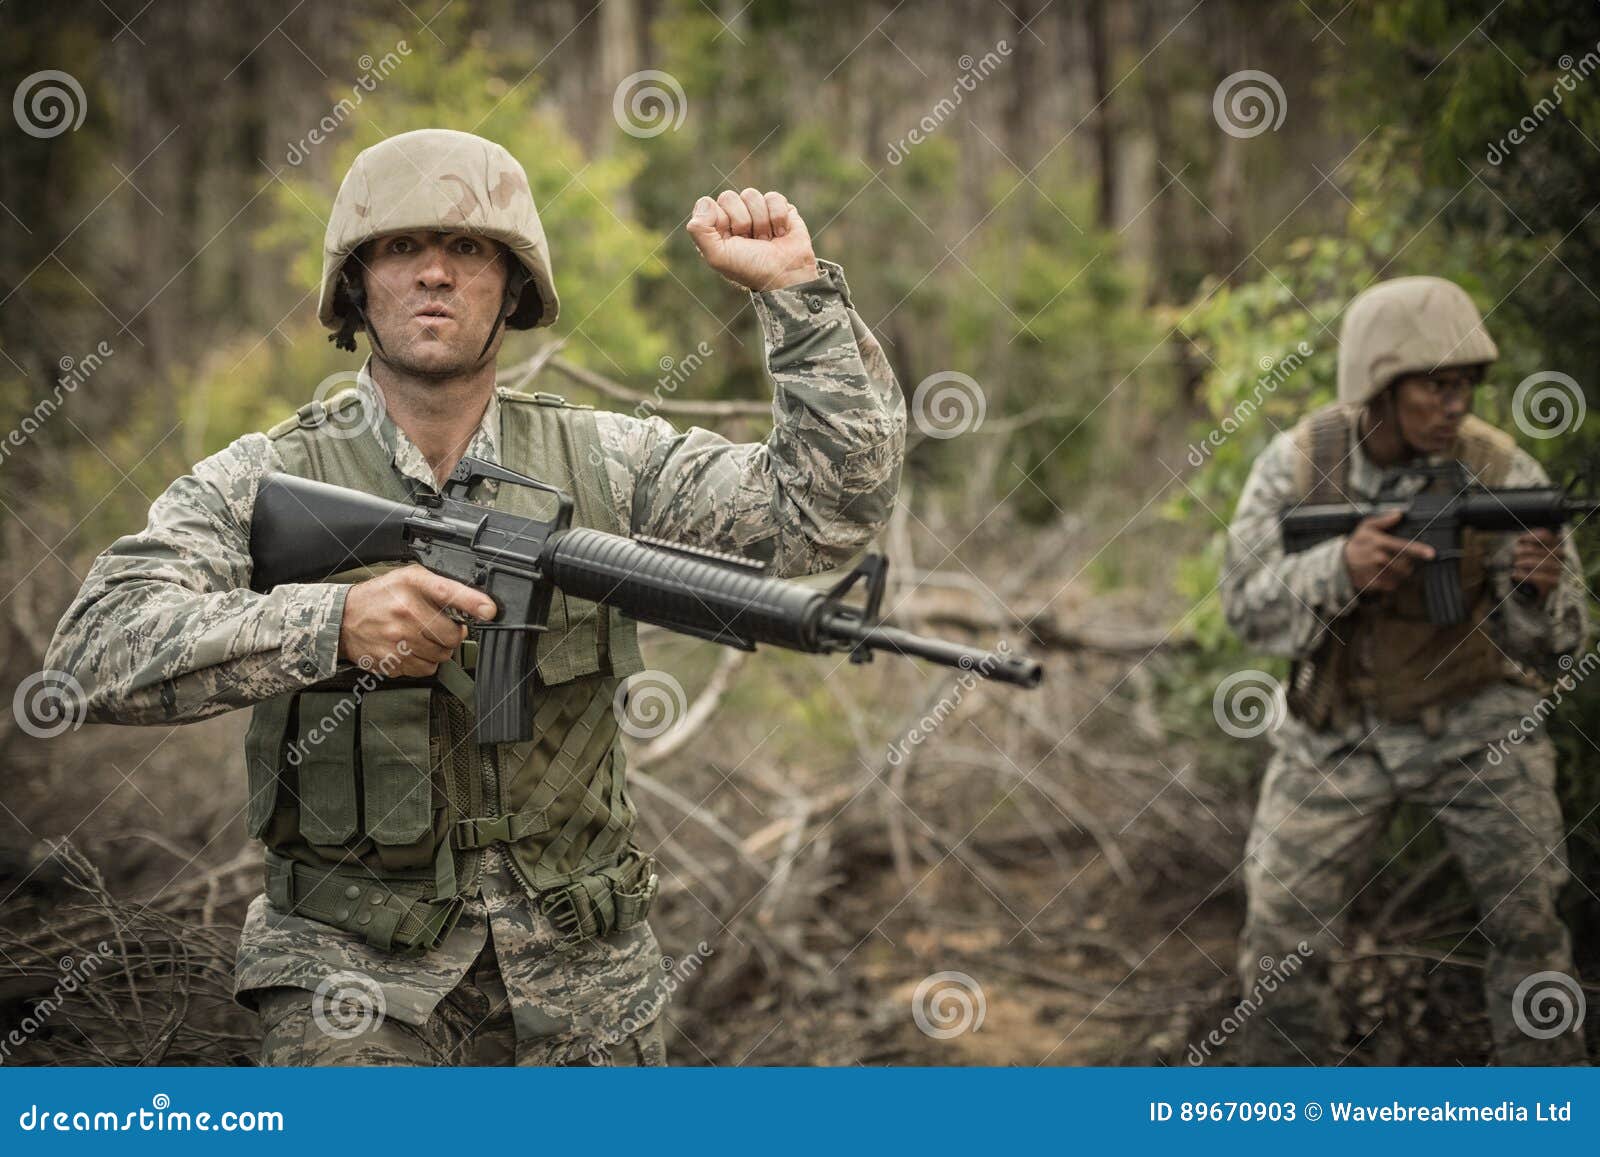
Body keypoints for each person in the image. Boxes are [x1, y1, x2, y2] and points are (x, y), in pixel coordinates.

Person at [43, 128, 906, 1066]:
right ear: (357, 286)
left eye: (468, 249)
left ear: (515, 287)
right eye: (402, 248)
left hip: (586, 968)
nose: (435, 275)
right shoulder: (264, 478)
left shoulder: (609, 462)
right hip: (351, 967)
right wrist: (332, 624)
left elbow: (823, 511)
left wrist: (796, 294)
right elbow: (91, 654)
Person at [1221, 275, 1590, 1064]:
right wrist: (1338, 570)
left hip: (1475, 718)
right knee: (1280, 938)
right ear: (1380, 388)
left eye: (1465, 386)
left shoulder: (1505, 471)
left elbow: (1561, 647)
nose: (1455, 405)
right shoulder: (1297, 466)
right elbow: (1243, 605)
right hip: (1340, 724)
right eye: (1436, 385)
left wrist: (1533, 593)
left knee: (1530, 931)